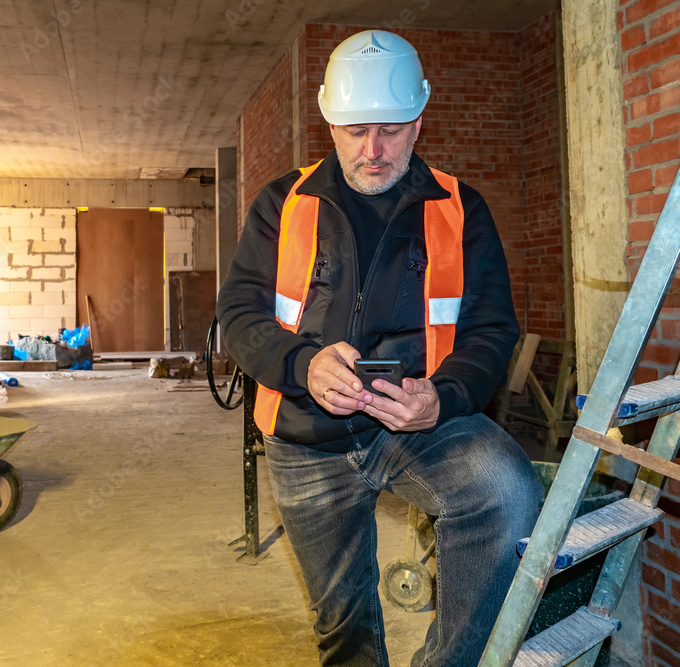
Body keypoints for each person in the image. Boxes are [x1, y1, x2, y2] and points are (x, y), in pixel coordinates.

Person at [216, 30, 543, 666]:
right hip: (305, 436)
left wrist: (442, 398)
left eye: (390, 130)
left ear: (419, 120)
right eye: (354, 130)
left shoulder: (459, 211)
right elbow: (239, 314)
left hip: (415, 425)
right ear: (329, 123)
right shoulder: (281, 206)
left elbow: (492, 329)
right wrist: (301, 364)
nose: (372, 150)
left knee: (506, 492)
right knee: (345, 630)